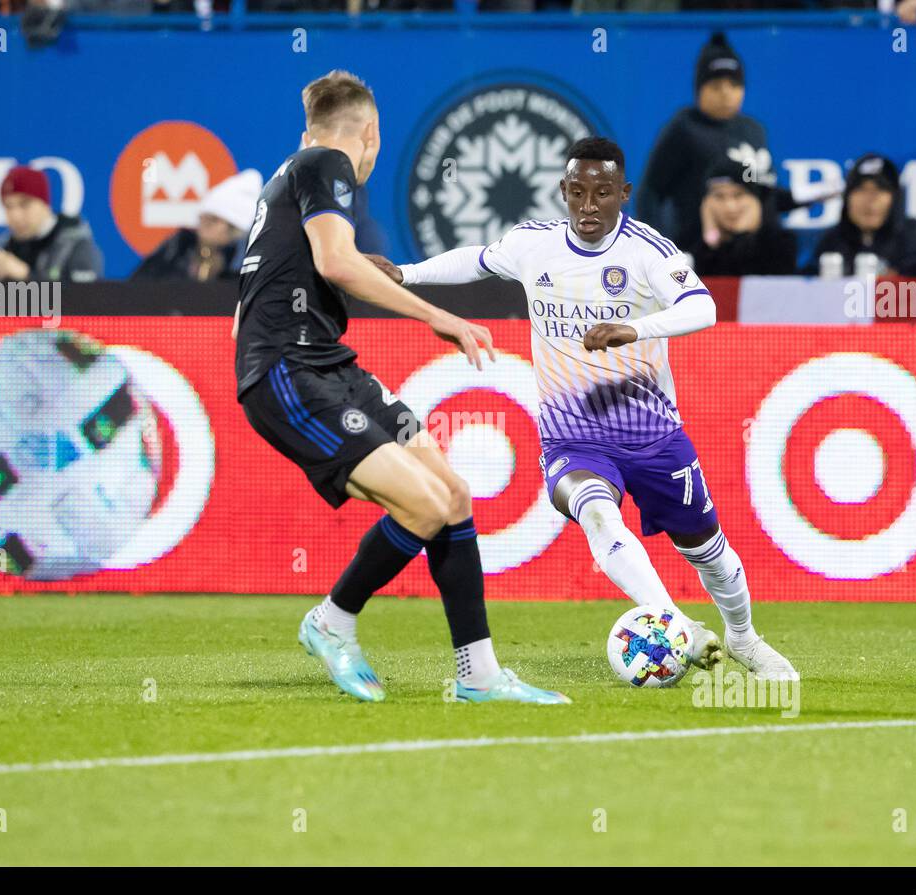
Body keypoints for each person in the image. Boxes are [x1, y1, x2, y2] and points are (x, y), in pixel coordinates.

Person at [371, 136, 798, 680]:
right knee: (596, 513)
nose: (589, 205)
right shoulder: (534, 245)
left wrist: (632, 329)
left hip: (653, 436)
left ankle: (743, 638)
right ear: (563, 192)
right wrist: (407, 274)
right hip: (572, 439)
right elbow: (476, 261)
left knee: (707, 549)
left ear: (625, 193)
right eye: (577, 192)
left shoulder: (649, 250)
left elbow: (703, 308)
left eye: (602, 193)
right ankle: (675, 627)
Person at [235, 69, 569, 705]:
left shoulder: (290, 173)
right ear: (372, 134)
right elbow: (335, 262)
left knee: (452, 493)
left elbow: (300, 274)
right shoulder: (325, 162)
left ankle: (479, 674)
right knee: (420, 505)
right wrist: (441, 316)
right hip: (292, 373)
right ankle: (331, 621)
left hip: (332, 366)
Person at [636, 31, 773, 252]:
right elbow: (650, 192)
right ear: (699, 90)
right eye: (716, 87)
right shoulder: (684, 128)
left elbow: (765, 190)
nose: (726, 94)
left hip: (750, 251)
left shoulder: (754, 130)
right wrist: (658, 248)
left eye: (734, 85)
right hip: (696, 249)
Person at [0, 166, 103, 283]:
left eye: (25, 204)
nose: (15, 216)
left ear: (45, 204)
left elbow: (85, 303)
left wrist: (26, 276)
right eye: (8, 207)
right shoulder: (5, 246)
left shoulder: (77, 245)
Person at [808, 153, 916, 277]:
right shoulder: (831, 241)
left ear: (895, 198)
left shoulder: (913, 236)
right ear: (847, 198)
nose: (870, 200)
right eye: (861, 189)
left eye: (880, 189)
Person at [132, 170, 263, 281]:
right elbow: (138, 287)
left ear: (234, 229)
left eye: (213, 219)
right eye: (202, 217)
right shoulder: (176, 248)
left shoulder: (246, 264)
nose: (204, 224)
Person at [691, 156, 797, 276]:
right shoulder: (695, 245)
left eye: (739, 195)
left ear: (756, 199)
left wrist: (745, 233)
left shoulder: (781, 244)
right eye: (719, 196)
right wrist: (711, 238)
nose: (730, 206)